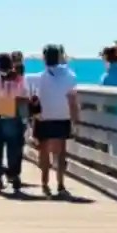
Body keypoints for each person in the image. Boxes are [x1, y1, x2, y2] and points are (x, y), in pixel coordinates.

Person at [30, 44, 79, 197]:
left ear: (44, 58)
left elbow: (33, 99)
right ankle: (61, 184)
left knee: (44, 151)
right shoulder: (70, 76)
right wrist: (75, 119)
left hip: (44, 117)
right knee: (61, 152)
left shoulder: (38, 78)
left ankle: (45, 184)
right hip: (62, 117)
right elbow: (72, 100)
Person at [0, 53, 27, 193]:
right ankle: (14, 175)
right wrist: (25, 119)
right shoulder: (19, 78)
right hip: (12, 113)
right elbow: (23, 98)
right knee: (14, 148)